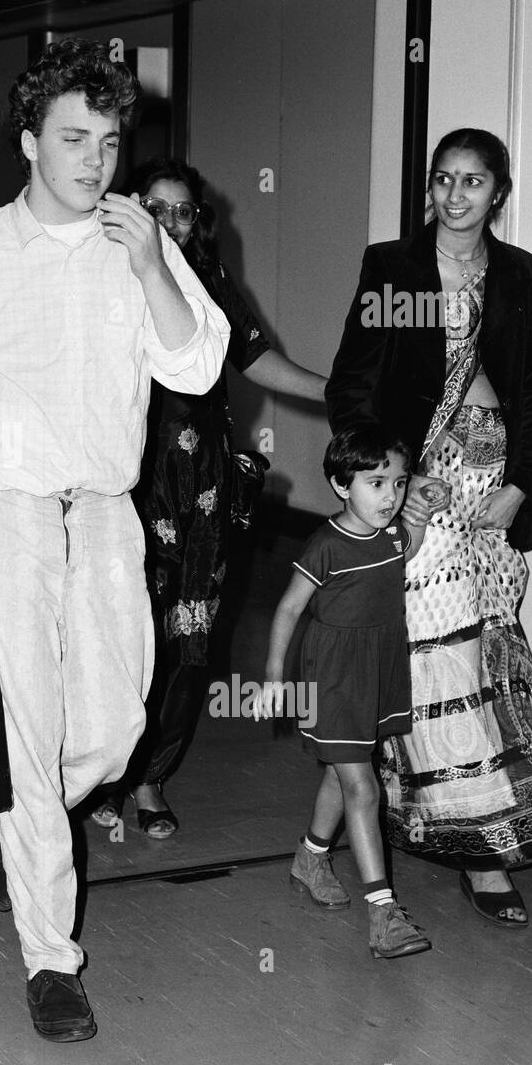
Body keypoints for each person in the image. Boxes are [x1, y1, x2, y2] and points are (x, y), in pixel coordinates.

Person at [0, 39, 230, 1042]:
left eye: (109, 142)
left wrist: (154, 260)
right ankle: (50, 960)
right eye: (72, 139)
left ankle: (14, 822)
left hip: (107, 515)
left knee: (110, 732)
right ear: (27, 142)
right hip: (5, 512)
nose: (93, 161)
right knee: (24, 727)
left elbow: (195, 365)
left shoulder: (139, 242)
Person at [327, 127, 532, 927]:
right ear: (429, 188)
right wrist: (398, 483)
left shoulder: (517, 274)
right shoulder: (393, 269)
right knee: (439, 653)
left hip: (490, 487)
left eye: (473, 181)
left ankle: (445, 828)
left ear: (498, 191)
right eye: (443, 180)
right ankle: (481, 846)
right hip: (420, 485)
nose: (455, 195)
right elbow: (352, 387)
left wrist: (521, 490)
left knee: (486, 647)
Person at [90, 157, 327, 839]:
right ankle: (106, 772)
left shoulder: (206, 279)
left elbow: (255, 358)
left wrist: (339, 392)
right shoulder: (102, 271)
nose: (168, 223)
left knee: (190, 636)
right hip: (125, 479)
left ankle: (151, 779)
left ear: (199, 222)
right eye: (154, 208)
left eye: (183, 211)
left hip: (201, 488)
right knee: (119, 633)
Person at [264, 427, 436, 959]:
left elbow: (405, 548)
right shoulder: (326, 545)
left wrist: (422, 513)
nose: (390, 496)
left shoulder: (389, 533)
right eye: (376, 482)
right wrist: (273, 678)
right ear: (342, 485)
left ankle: (311, 857)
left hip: (379, 668)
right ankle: (383, 912)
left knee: (348, 770)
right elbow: (290, 608)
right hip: (334, 675)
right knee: (362, 786)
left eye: (399, 483)